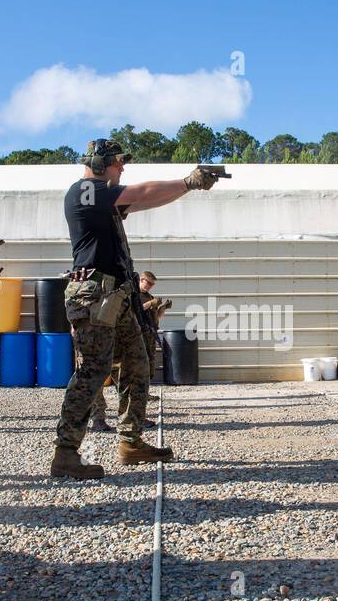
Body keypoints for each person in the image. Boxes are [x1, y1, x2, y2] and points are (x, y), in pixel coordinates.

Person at [51, 140, 218, 478]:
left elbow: (148, 199)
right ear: (99, 164)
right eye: (117, 163)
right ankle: (66, 453)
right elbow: (141, 193)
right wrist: (187, 182)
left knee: (138, 363)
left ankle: (130, 441)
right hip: (95, 293)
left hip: (116, 294)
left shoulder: (104, 200)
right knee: (93, 371)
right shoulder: (86, 189)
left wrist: (188, 188)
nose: (122, 167)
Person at [88, 271, 169, 431]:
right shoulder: (102, 295)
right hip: (102, 343)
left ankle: (131, 418)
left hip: (122, 345)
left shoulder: (129, 295)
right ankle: (98, 419)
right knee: (96, 382)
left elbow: (136, 317)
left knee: (128, 384)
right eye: (147, 282)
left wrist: (160, 308)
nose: (148, 286)